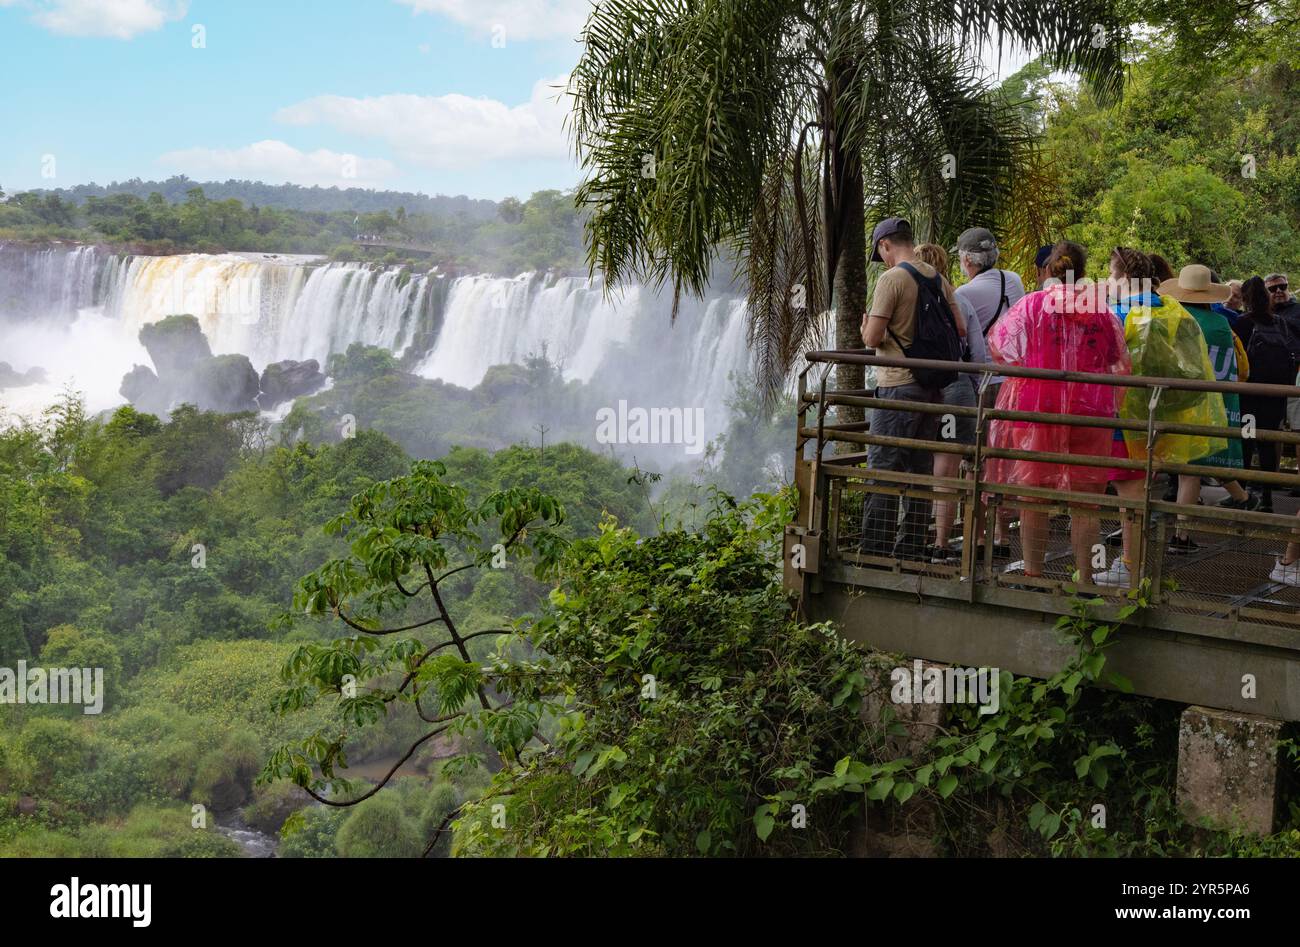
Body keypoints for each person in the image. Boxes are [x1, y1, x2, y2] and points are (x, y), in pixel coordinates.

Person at [985, 241, 1130, 582]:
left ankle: (1034, 574)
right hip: (1088, 413)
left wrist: (1033, 365)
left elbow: (999, 347)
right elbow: (1117, 360)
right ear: (1081, 272)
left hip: (1037, 410)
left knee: (1033, 497)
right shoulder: (1099, 310)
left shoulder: (1031, 305)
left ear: (1048, 270)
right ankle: (1085, 579)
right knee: (1085, 503)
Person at [1094, 249, 1227, 586]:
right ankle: (1133, 564)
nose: (1107, 282)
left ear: (1123, 278)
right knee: (1141, 492)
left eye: (1110, 275)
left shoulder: (1118, 313)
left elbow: (1104, 364)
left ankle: (1130, 567)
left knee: (1130, 497)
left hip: (1124, 422)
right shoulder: (1173, 308)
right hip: (1162, 415)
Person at [859, 218, 966, 560]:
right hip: (931, 388)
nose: (884, 260)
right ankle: (911, 549)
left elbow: (872, 339)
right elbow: (960, 329)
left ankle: (875, 551)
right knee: (919, 469)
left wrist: (868, 328)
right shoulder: (937, 277)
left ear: (885, 245)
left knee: (883, 468)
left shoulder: (891, 279)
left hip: (897, 387)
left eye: (882, 253)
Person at [1158, 265, 1257, 511]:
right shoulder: (1221, 324)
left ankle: (1177, 534)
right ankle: (1241, 500)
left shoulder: (1173, 319)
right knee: (1195, 467)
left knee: (1187, 470)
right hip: (1213, 404)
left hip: (1178, 401)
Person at [954, 227, 1026, 555]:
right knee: (1002, 458)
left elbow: (961, 342)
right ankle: (1004, 537)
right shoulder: (1013, 280)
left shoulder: (963, 294)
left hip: (983, 386)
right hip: (1014, 384)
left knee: (977, 460)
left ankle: (978, 538)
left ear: (967, 259)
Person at [915, 242, 982, 562]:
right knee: (958, 465)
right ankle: (956, 539)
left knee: (920, 465)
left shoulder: (908, 296)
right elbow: (978, 354)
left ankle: (920, 538)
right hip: (957, 388)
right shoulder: (959, 300)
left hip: (918, 389)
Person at [1235, 275, 1295, 512]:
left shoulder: (1242, 322)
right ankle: (1268, 496)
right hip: (1275, 394)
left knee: (1247, 441)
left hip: (1250, 396)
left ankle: (1241, 494)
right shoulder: (1279, 322)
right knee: (1268, 443)